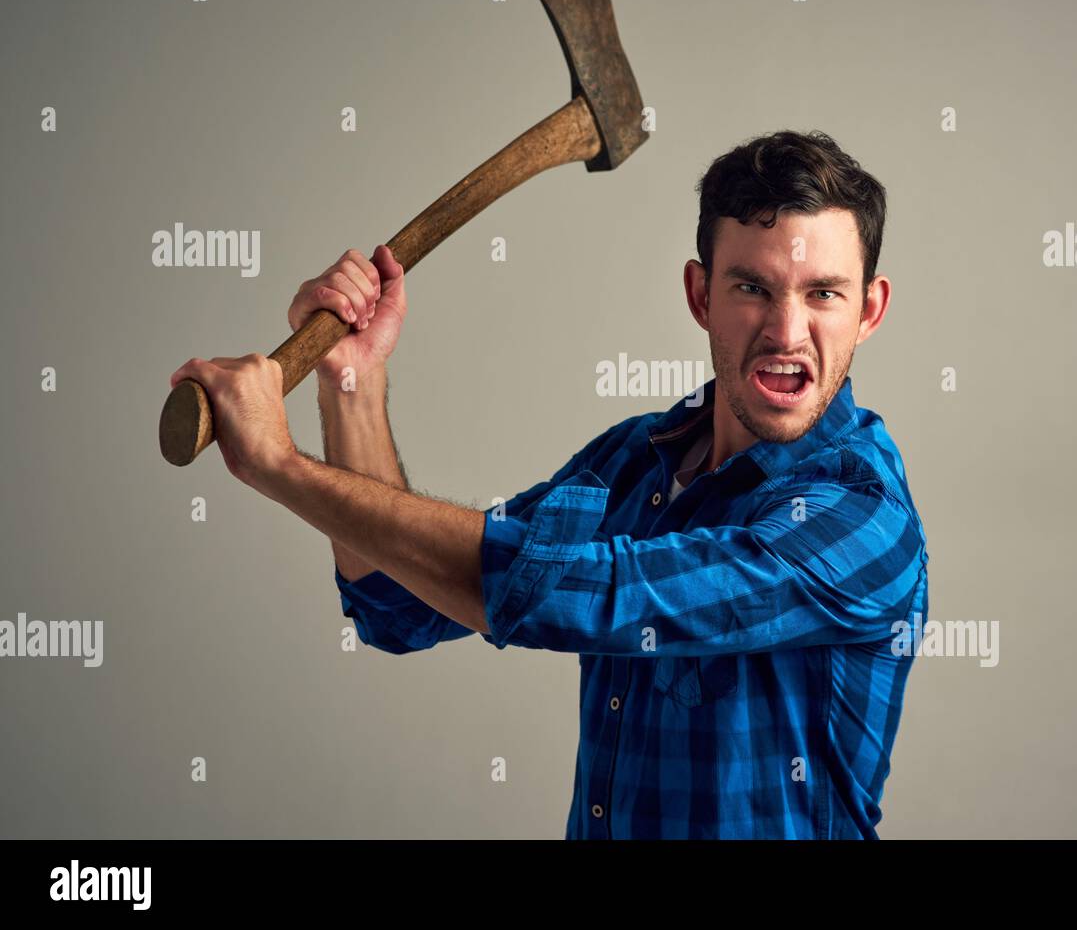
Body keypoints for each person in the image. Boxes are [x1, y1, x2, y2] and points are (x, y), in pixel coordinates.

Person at [168, 129, 930, 839]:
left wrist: (281, 465)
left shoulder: (864, 516)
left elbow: (596, 595)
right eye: (753, 289)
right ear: (700, 297)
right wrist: (351, 384)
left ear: (869, 310)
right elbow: (397, 602)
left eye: (823, 293)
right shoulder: (635, 461)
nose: (787, 331)